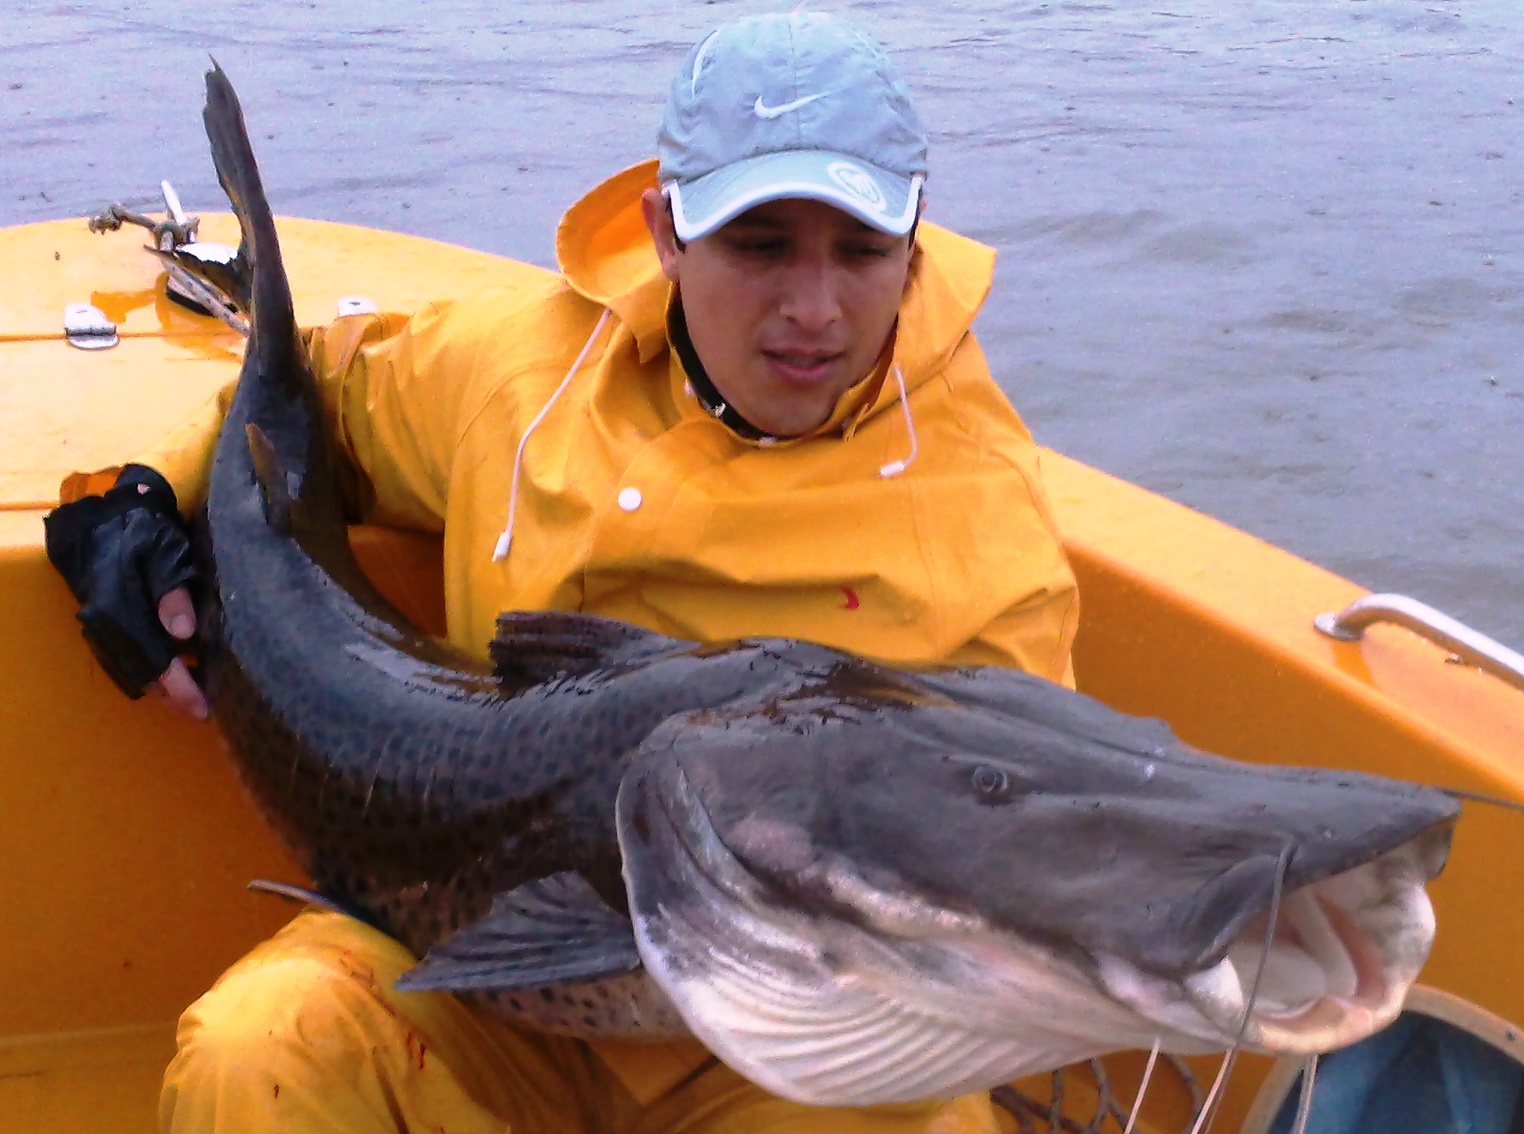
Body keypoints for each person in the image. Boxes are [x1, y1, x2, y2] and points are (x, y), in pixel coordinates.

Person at [46, 11, 1079, 1134]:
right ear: (666, 232)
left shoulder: (984, 523)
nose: (816, 310)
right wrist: (146, 495)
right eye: (761, 243)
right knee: (262, 1052)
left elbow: (1002, 881)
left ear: (916, 241)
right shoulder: (524, 370)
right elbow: (309, 400)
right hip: (480, 969)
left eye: (864, 250)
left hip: (786, 1046)